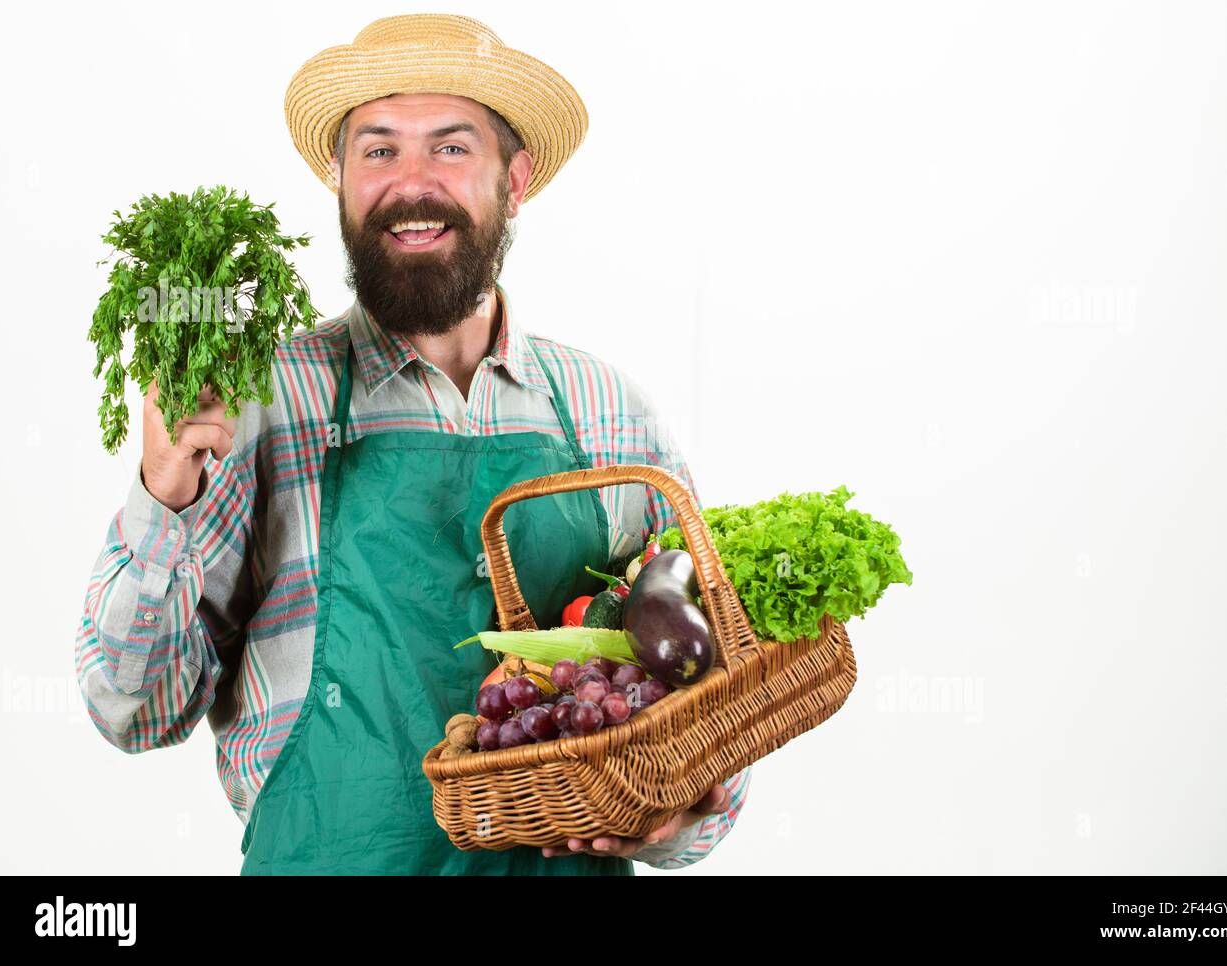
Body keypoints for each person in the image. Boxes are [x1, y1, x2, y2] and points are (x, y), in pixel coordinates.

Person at [75, 13, 750, 875]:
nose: (412, 183)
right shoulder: (260, 403)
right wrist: (162, 493)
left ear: (518, 176)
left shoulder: (609, 412)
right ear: (340, 178)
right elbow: (130, 710)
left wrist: (682, 808)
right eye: (379, 150)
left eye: (452, 148)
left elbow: (717, 706)